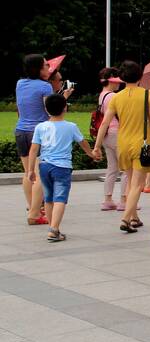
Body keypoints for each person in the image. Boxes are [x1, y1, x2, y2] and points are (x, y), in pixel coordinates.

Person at [91, 60, 150, 234]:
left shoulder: (116, 98)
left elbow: (104, 123)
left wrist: (96, 147)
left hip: (123, 143)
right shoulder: (147, 95)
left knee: (129, 181)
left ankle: (134, 217)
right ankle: (126, 218)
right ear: (140, 76)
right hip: (141, 144)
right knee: (136, 185)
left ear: (122, 78)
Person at [27, 94, 97, 243]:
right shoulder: (71, 127)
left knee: (49, 198)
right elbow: (82, 142)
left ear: (46, 109)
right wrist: (91, 154)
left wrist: (30, 170)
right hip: (62, 167)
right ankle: (54, 230)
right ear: (65, 108)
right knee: (60, 199)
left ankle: (54, 228)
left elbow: (33, 150)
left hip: (44, 166)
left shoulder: (40, 127)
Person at [16, 53, 54, 224]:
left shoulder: (20, 83)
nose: (48, 68)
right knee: (40, 175)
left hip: (21, 131)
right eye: (46, 65)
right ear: (38, 68)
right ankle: (34, 213)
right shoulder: (45, 87)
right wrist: (63, 101)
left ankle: (33, 207)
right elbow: (50, 111)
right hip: (38, 133)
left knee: (28, 173)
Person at [94, 68, 125, 210]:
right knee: (126, 169)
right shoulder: (114, 96)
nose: (119, 83)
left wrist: (97, 145)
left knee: (112, 168)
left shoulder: (102, 95)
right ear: (111, 80)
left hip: (106, 135)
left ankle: (108, 199)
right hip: (117, 133)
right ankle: (124, 200)